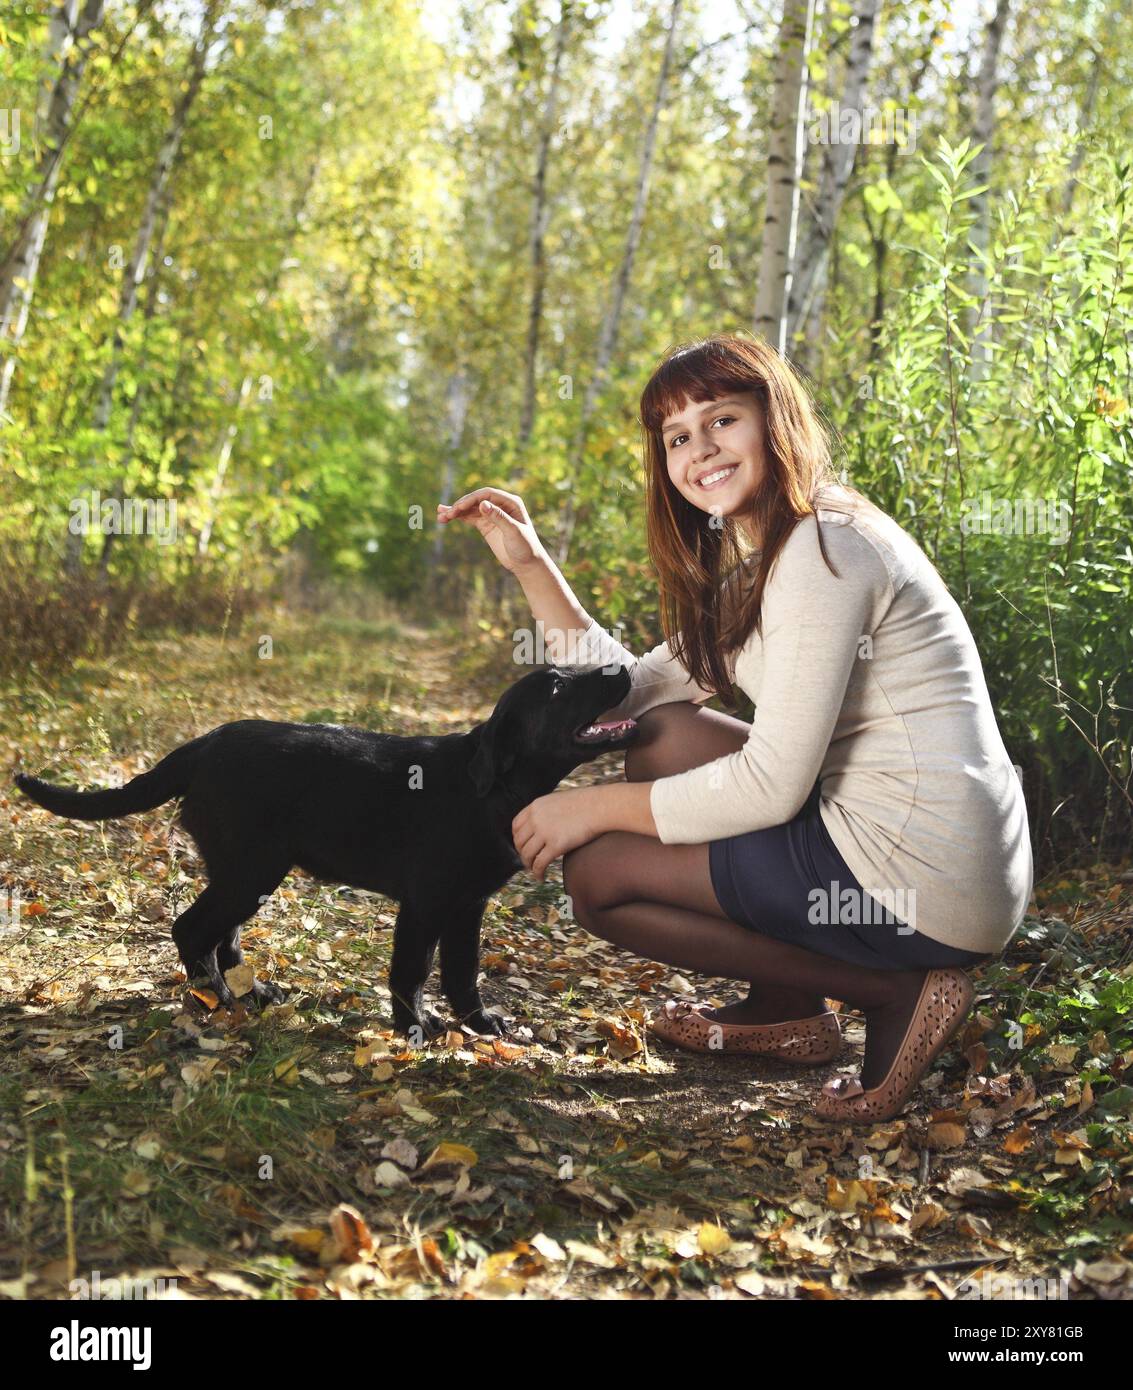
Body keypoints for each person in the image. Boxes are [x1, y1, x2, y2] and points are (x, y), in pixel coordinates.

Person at [436, 331, 1033, 1124]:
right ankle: (787, 1005)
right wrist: (528, 565)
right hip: (907, 847)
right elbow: (629, 698)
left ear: (772, 417)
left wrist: (584, 810)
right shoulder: (776, 556)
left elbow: (772, 782)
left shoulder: (826, 551)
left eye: (721, 420)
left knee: (599, 879)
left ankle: (894, 989)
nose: (699, 451)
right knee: (661, 734)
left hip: (921, 874)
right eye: (677, 437)